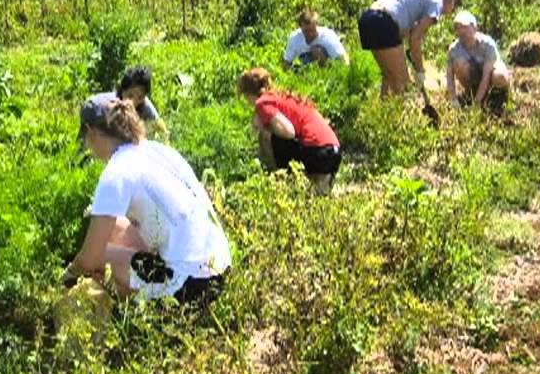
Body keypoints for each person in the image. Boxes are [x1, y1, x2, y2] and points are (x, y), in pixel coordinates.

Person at [64, 98, 232, 308]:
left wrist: (67, 276)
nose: (88, 147)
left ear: (92, 132)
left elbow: (89, 259)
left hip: (191, 286)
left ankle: (138, 316)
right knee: (114, 227)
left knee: (105, 259)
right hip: (220, 267)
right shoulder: (156, 150)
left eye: (86, 140)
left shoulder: (116, 172)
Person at [236, 67, 342, 195]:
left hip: (318, 152)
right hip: (334, 151)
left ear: (248, 94)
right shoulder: (280, 97)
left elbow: (288, 131)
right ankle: (321, 181)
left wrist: (263, 126)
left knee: (266, 135)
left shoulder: (263, 103)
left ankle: (277, 179)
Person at [357, 0, 463, 95]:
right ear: (452, 2)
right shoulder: (437, 2)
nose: (450, 14)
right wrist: (420, 71)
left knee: (389, 74)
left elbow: (408, 36)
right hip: (384, 21)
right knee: (404, 87)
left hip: (368, 19)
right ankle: (400, 109)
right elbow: (415, 39)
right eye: (453, 10)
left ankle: (383, 105)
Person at [446, 10, 511, 115]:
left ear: (474, 28)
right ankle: (471, 92)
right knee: (459, 64)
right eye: (457, 28)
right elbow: (449, 77)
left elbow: (486, 77)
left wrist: (476, 104)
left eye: (464, 27)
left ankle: (497, 98)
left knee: (500, 76)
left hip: (490, 77)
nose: (461, 31)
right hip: (475, 77)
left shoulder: (487, 44)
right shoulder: (454, 49)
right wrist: (453, 99)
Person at [91, 66, 169, 137]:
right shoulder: (110, 103)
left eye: (140, 97)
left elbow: (159, 125)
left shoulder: (144, 104)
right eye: (130, 95)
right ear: (122, 90)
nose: (133, 102)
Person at [282, 9, 350, 70]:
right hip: (305, 65)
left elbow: (343, 57)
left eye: (312, 30)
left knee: (316, 50)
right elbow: (287, 62)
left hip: (328, 65)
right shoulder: (295, 38)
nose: (310, 33)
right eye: (306, 31)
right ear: (300, 28)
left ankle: (323, 72)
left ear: (316, 26)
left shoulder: (327, 36)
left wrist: (346, 70)